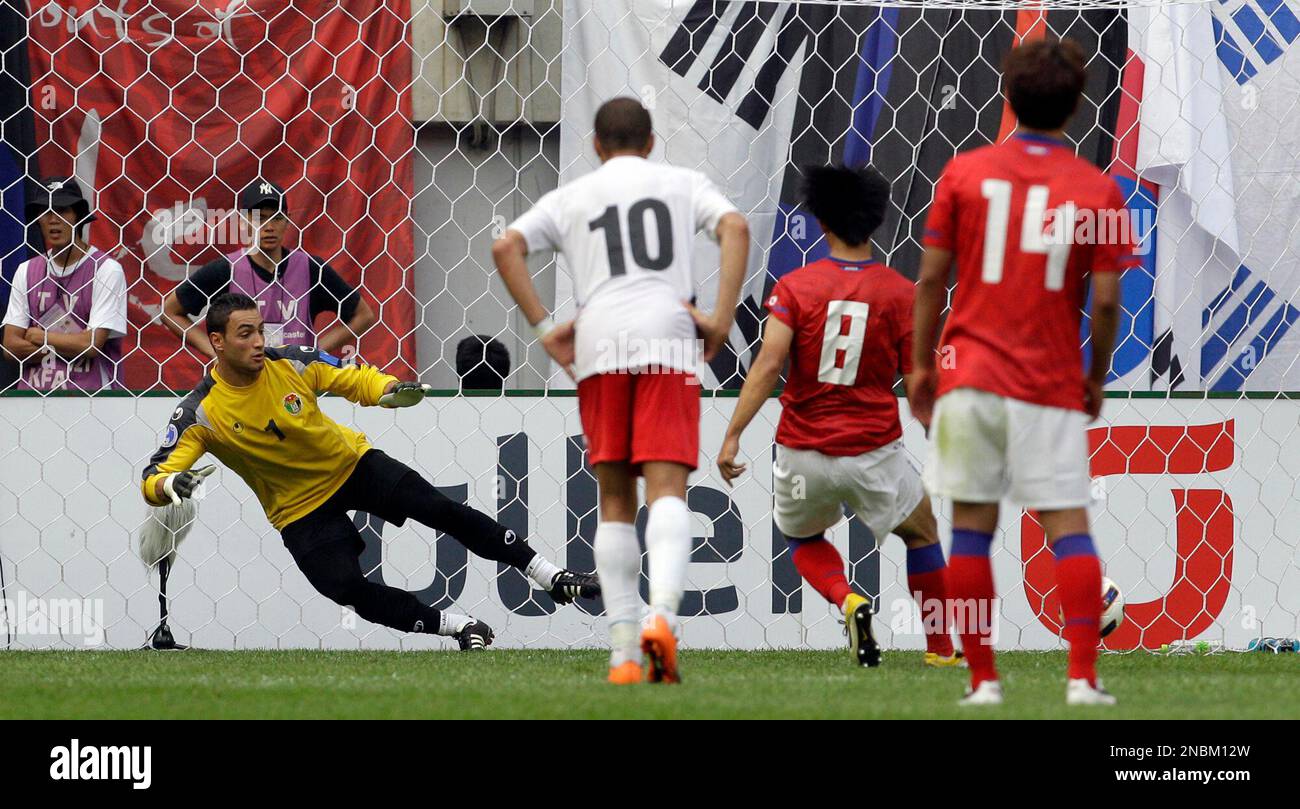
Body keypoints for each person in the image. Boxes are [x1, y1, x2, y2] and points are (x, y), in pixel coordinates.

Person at [141, 293, 599, 649]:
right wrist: (169, 484)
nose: (259, 342)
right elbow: (153, 478)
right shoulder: (200, 412)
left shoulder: (292, 362)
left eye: (261, 330)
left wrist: (387, 391)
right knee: (346, 588)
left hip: (353, 465)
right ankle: (459, 627)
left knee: (438, 508)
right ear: (217, 341)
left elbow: (351, 377)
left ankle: (549, 575)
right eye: (245, 334)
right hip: (299, 509)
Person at [909, 39, 1136, 706]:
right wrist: (1094, 374)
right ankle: (1082, 678)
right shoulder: (1096, 188)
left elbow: (929, 278)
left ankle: (982, 681)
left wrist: (922, 365)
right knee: (1069, 525)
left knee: (972, 530)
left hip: (972, 377)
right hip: (1049, 382)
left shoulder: (963, 174)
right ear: (1076, 105)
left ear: (1007, 96)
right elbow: (1104, 298)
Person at [493, 97, 749, 684]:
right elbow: (734, 227)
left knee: (614, 499)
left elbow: (506, 247)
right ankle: (663, 621)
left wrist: (545, 329)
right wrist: (720, 316)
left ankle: (623, 652)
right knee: (668, 493)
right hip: (668, 339)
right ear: (652, 142)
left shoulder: (574, 196)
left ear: (596, 146)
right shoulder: (681, 182)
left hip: (601, 345)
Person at [717, 165, 960, 669]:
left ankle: (846, 599)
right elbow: (919, 381)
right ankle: (940, 651)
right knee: (922, 534)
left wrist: (733, 435)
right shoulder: (900, 293)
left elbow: (768, 364)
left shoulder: (794, 288)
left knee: (803, 537)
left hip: (802, 451)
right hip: (873, 451)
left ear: (822, 222)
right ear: (876, 222)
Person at [161, 180, 376, 361]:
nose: (269, 227)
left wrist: (316, 352)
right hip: (244, 387)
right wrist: (217, 354)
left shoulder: (310, 268)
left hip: (294, 385)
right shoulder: (226, 270)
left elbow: (364, 316)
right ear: (244, 221)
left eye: (277, 218)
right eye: (259, 218)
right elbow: (170, 312)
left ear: (289, 220)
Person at [2, 177, 127, 392]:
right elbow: (10, 347)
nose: (53, 219)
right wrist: (69, 343)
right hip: (33, 398)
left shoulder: (106, 270)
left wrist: (40, 336)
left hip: (91, 397)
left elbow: (90, 345)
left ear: (78, 216)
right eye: (46, 211)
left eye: (62, 210)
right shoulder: (26, 271)